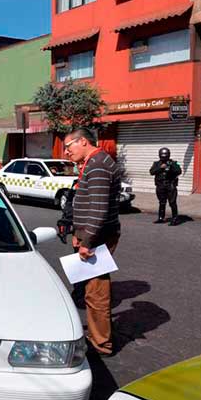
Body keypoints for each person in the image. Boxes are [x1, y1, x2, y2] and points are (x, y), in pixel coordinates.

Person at [64, 128, 121, 356]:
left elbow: (98, 209)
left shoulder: (97, 165)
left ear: (83, 142)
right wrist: (79, 232)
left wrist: (87, 240)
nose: (67, 153)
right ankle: (97, 334)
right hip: (93, 234)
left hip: (98, 237)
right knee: (89, 288)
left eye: (69, 147)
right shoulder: (94, 161)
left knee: (96, 292)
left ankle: (101, 343)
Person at [149, 147, 182, 226]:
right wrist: (160, 168)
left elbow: (179, 171)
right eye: (162, 155)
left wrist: (171, 167)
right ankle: (161, 218)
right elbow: (152, 172)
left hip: (170, 185)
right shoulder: (156, 164)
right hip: (160, 186)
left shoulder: (173, 163)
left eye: (165, 155)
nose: (163, 157)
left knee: (172, 202)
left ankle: (175, 219)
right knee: (162, 202)